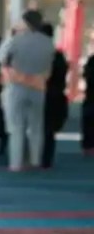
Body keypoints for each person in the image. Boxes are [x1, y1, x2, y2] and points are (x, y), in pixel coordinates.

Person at [0, 10, 54, 172]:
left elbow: (0, 57)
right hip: (38, 86)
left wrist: (10, 35)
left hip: (17, 85)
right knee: (36, 126)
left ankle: (15, 163)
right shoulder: (48, 42)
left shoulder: (16, 40)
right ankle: (35, 160)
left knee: (16, 126)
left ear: (25, 23)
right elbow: (48, 65)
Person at [40, 23, 69, 169]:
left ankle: (36, 157)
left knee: (39, 127)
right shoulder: (58, 55)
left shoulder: (40, 55)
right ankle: (47, 159)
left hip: (42, 93)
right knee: (49, 129)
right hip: (56, 95)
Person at [83, 31, 94, 156]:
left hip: (91, 96)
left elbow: (87, 76)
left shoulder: (91, 61)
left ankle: (88, 146)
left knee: (88, 121)